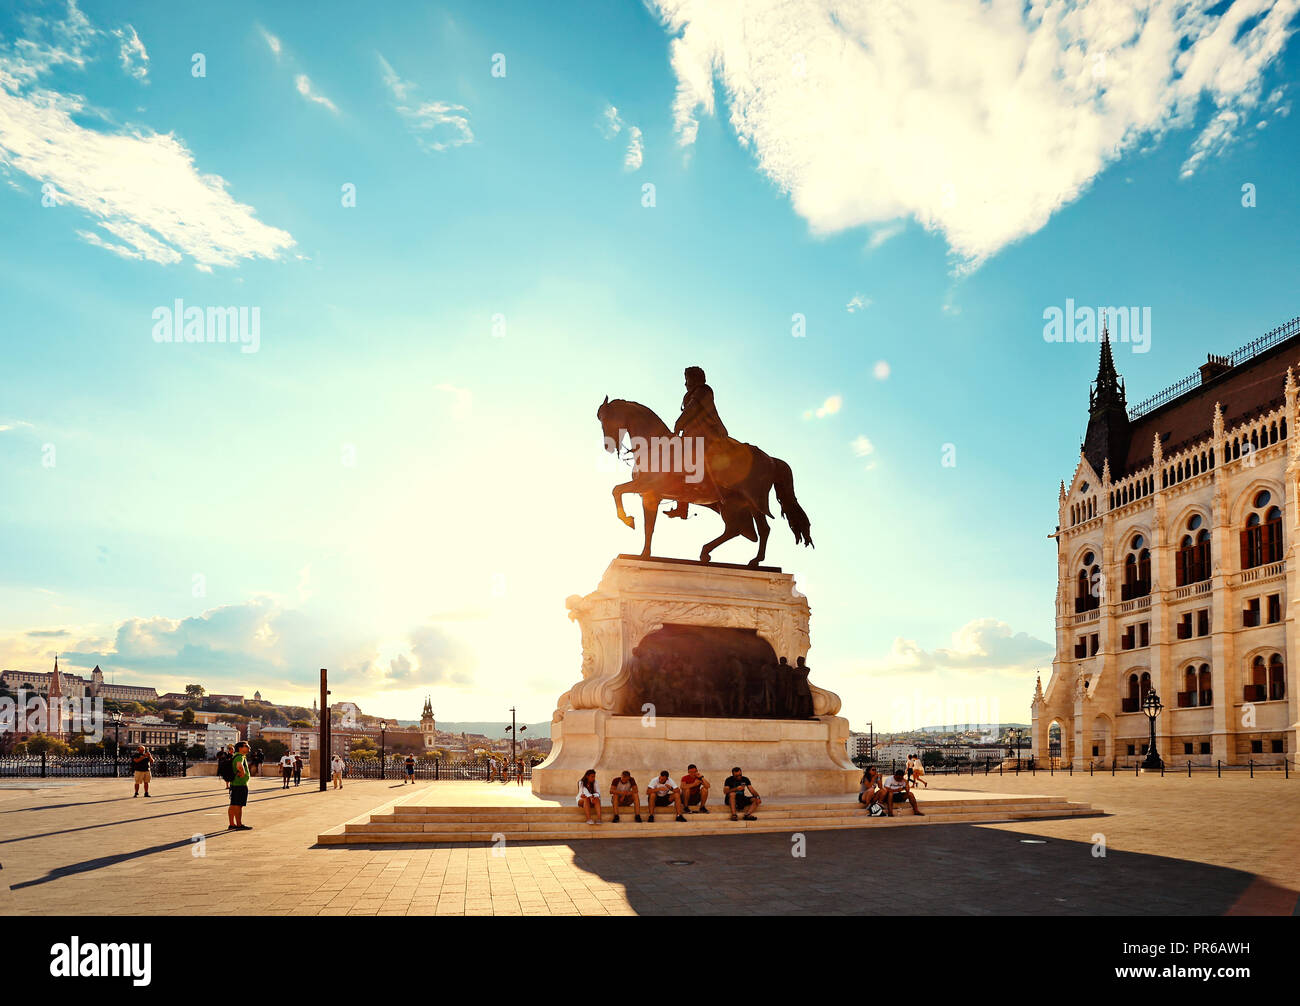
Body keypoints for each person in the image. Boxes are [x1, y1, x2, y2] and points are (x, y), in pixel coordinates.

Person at [228, 741, 252, 830]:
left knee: (233, 804)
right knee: (238, 805)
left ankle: (231, 824)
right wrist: (243, 772)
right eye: (246, 746)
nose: (249, 747)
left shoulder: (235, 756)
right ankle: (239, 824)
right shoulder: (240, 757)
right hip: (240, 785)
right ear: (240, 748)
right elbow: (239, 766)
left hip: (234, 784)